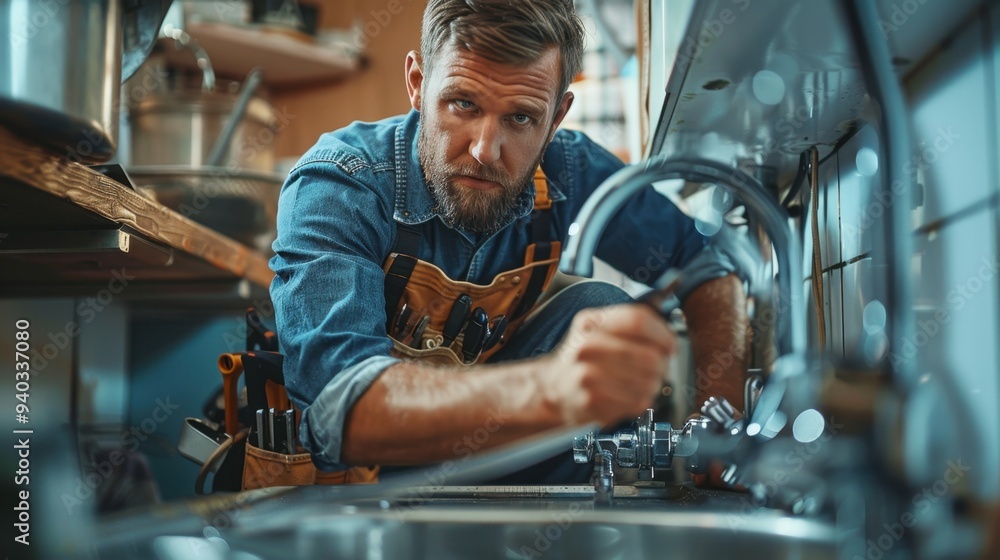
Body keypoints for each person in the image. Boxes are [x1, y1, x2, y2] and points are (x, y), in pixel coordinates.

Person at [269, 0, 747, 484]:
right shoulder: (341, 182)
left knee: (601, 306)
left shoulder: (570, 170)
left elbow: (705, 263)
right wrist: (550, 389)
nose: (484, 150)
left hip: (483, 462)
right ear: (417, 84)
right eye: (463, 104)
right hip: (352, 481)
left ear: (557, 115)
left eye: (520, 118)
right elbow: (338, 411)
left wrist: (716, 415)